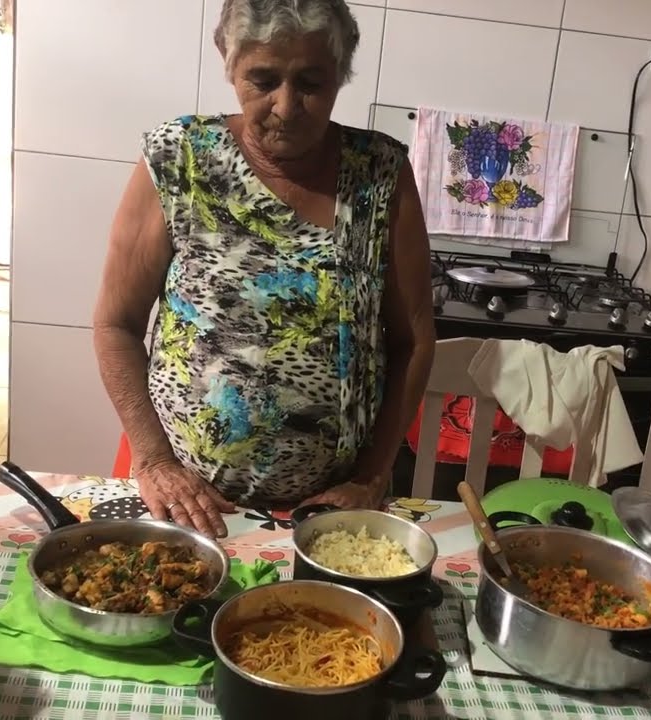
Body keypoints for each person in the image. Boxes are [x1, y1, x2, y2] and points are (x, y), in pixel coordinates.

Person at [92, 0, 435, 539]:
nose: (286, 105)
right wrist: (156, 462)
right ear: (230, 64)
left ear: (341, 76)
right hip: (191, 499)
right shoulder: (179, 157)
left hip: (334, 511)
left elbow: (413, 338)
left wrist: (371, 477)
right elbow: (115, 324)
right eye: (263, 79)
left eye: (311, 83)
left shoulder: (381, 172)